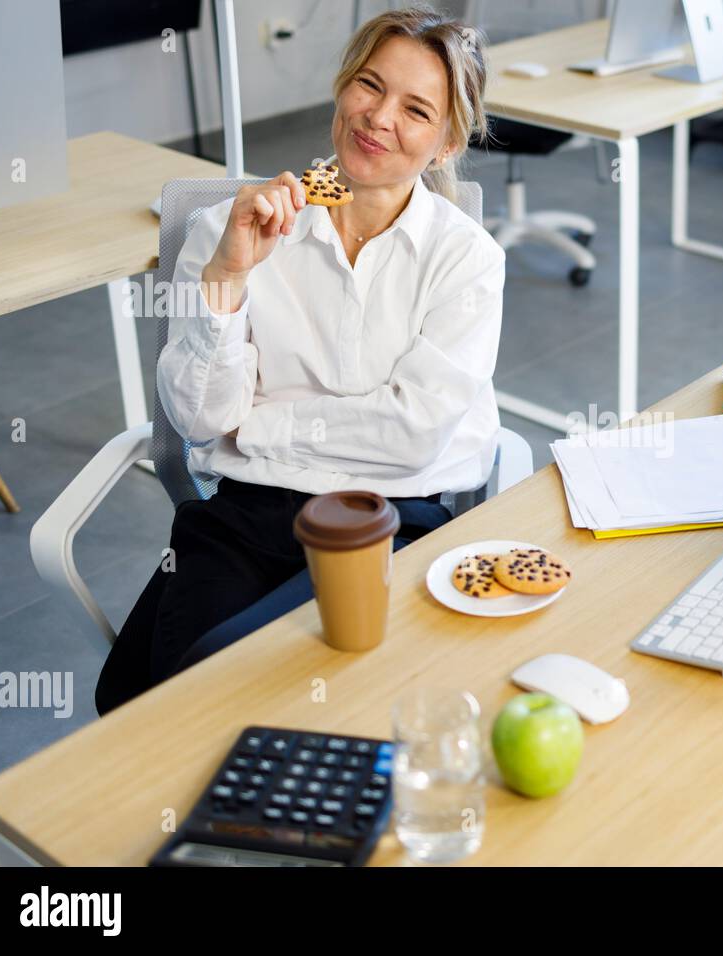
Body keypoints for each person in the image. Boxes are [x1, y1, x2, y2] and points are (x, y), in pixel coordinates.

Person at [95, 5, 504, 714]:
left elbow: (411, 434)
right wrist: (228, 273)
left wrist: (256, 428)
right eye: (369, 86)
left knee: (292, 699)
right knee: (158, 707)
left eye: (415, 109)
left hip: (390, 523)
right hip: (247, 518)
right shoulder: (230, 231)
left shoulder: (467, 260)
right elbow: (199, 420)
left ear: (445, 143)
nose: (378, 118)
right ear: (344, 86)